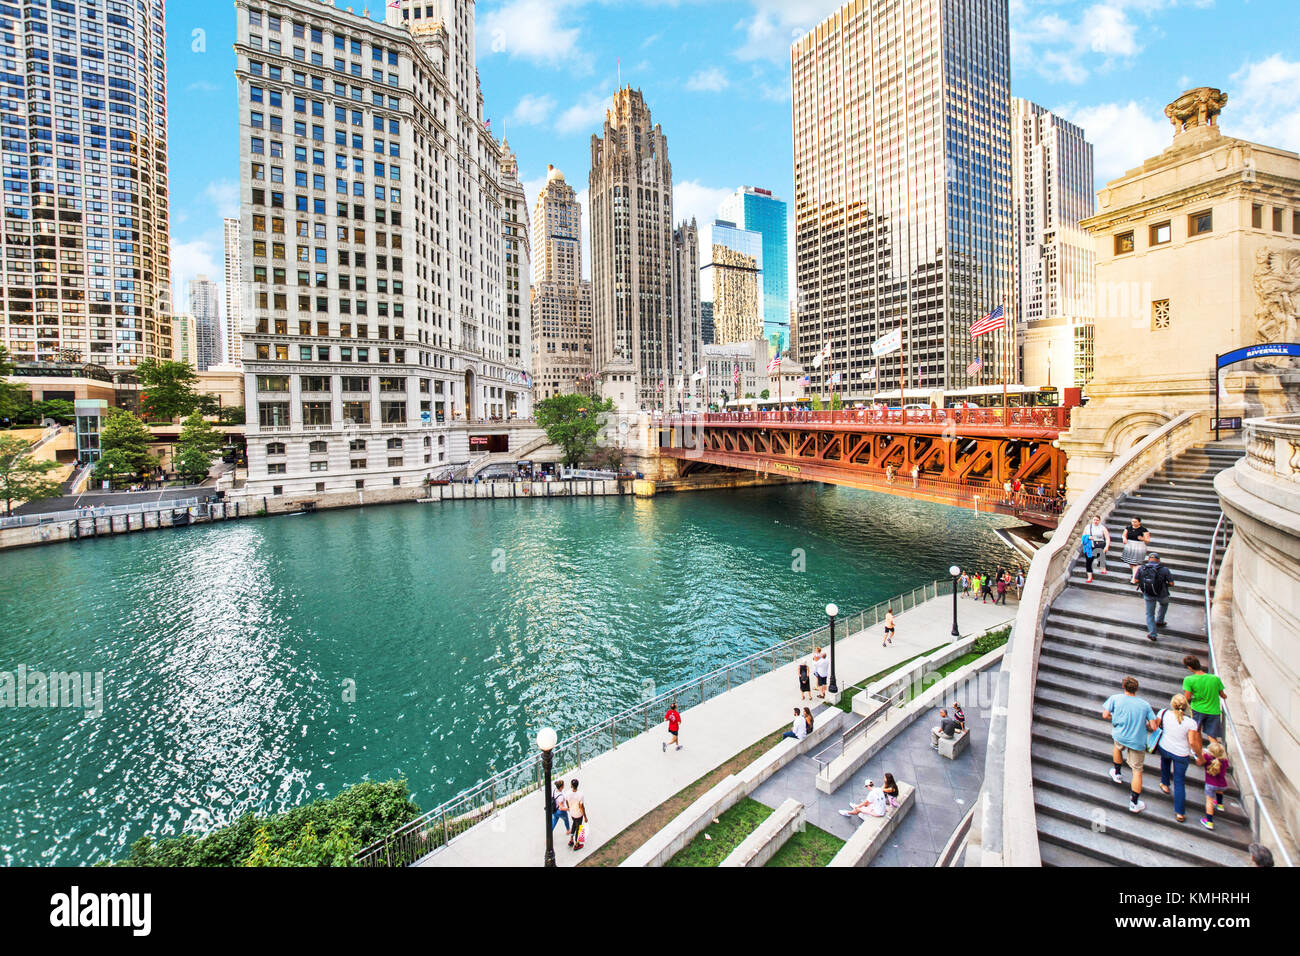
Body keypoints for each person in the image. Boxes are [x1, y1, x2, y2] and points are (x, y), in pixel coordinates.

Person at [1103, 676, 1160, 813]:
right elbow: (1153, 727)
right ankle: (1134, 802)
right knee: (1137, 771)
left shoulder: (1115, 698)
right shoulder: (1145, 705)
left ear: (1124, 686)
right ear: (1136, 689)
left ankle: (1117, 773)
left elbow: (1105, 715)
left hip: (1120, 733)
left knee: (1117, 748)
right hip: (1137, 739)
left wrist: (1115, 718)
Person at [1155, 694, 1205, 823]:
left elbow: (1155, 726)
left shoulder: (1163, 713)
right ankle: (1179, 812)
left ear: (1172, 704)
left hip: (1165, 746)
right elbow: (1193, 742)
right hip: (1181, 753)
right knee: (1179, 781)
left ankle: (1165, 783)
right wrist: (1199, 756)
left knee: (1165, 763)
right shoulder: (1190, 723)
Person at [1181, 656, 1227, 743]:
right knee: (1212, 736)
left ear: (1190, 667)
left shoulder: (1189, 680)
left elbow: (1187, 697)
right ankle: (1217, 754)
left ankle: (1200, 754)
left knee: (1196, 731)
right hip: (1213, 710)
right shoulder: (1215, 678)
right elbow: (1223, 695)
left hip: (1197, 709)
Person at [1136, 552, 1174, 643]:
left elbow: (1136, 580)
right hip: (1162, 594)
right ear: (1159, 560)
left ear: (1148, 559)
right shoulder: (1164, 569)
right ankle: (1160, 621)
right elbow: (1172, 583)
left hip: (1148, 594)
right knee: (1164, 604)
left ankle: (1152, 634)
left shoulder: (1141, 568)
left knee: (1150, 614)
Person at [1201, 740, 1230, 831]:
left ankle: (1209, 821)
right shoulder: (1224, 761)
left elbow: (1201, 760)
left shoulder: (1207, 758)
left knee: (1209, 801)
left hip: (1210, 784)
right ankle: (1220, 804)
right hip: (1222, 784)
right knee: (1219, 791)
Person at [1122, 516, 1151, 584]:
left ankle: (1133, 579)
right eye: (1132, 521)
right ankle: (1136, 574)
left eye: (1135, 522)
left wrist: (1143, 539)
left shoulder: (1144, 530)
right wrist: (1124, 538)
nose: (1133, 523)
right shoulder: (1128, 528)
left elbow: (1148, 540)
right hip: (1129, 545)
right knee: (1130, 562)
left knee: (1136, 563)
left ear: (1139, 522)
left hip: (1139, 546)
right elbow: (1123, 535)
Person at [567, 779, 587, 851]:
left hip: (572, 813)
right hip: (578, 814)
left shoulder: (568, 793)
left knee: (574, 825)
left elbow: (567, 801)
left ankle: (571, 840)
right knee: (579, 828)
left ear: (571, 785)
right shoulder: (580, 794)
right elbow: (581, 807)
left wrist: (569, 808)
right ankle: (577, 844)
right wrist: (585, 816)